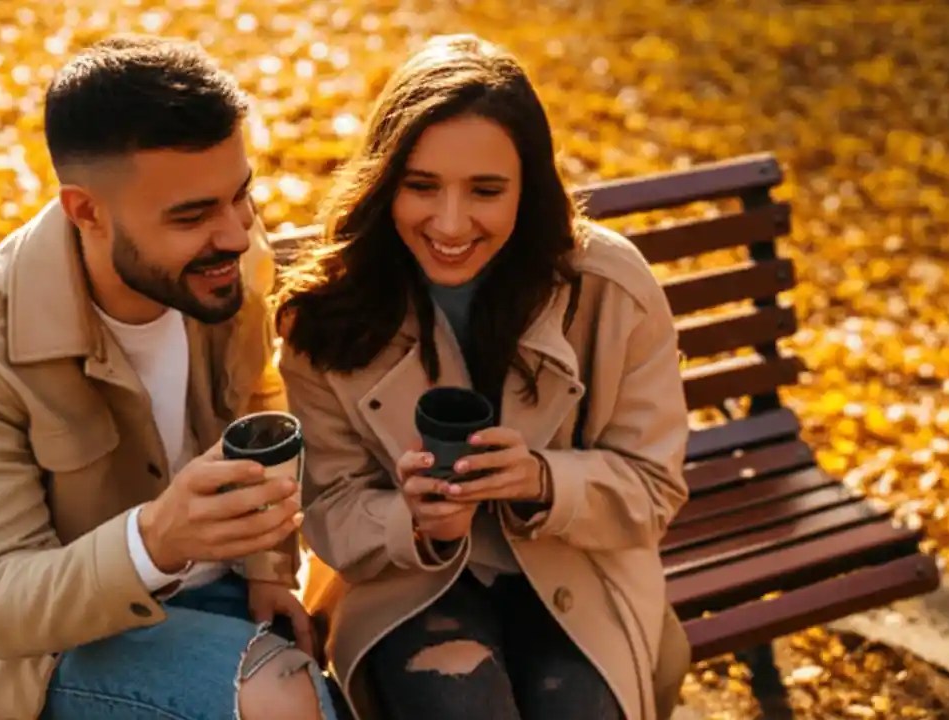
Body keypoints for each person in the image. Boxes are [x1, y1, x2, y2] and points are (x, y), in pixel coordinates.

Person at [0, 35, 339, 720]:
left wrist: (268, 567)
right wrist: (156, 538)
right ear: (87, 212)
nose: (236, 232)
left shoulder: (228, 264)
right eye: (192, 215)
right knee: (282, 696)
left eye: (241, 195)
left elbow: (258, 407)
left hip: (226, 601)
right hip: (58, 652)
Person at [275, 34, 693, 720]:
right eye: (420, 186)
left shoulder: (610, 289)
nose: (449, 223)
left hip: (577, 569)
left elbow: (653, 486)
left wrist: (541, 480)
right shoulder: (330, 312)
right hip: (408, 584)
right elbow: (328, 509)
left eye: (486, 191)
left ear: (530, 190)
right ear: (384, 183)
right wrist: (411, 518)